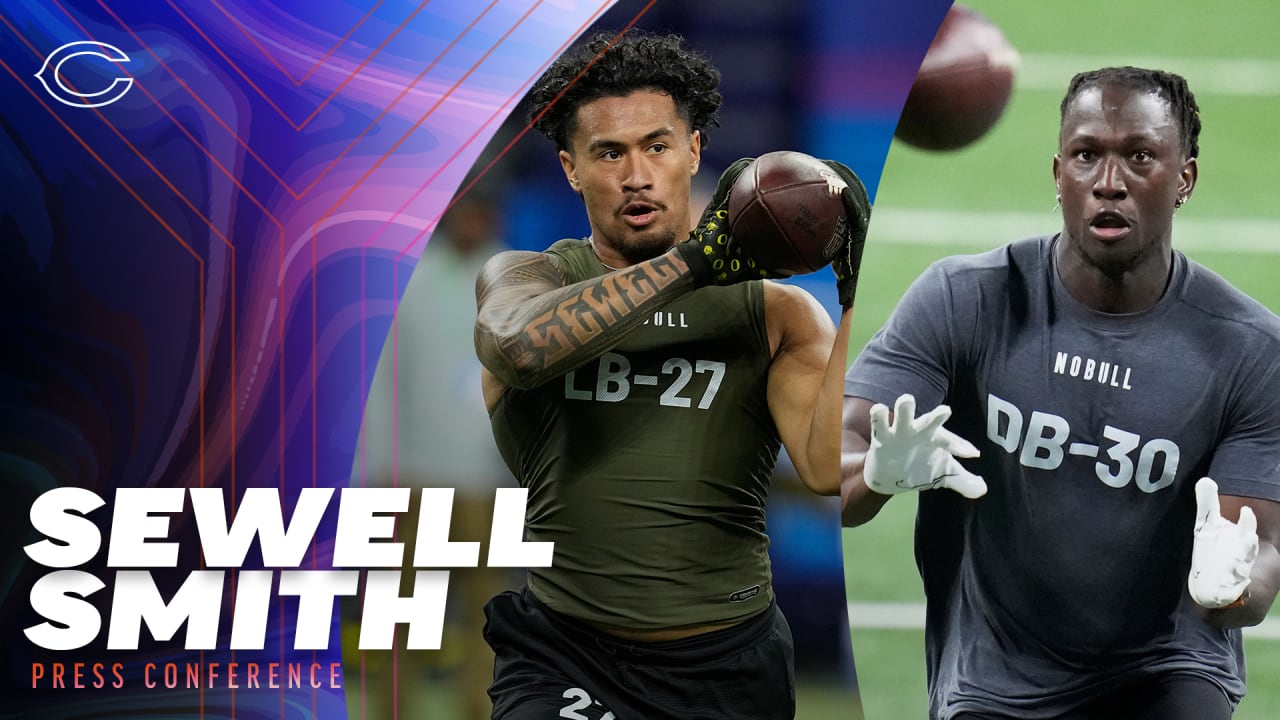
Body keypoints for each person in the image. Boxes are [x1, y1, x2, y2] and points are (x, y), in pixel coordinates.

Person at [841, 66, 1280, 720]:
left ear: (1183, 178)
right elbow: (839, 464)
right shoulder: (963, 299)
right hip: (993, 678)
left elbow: (1259, 552)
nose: (1109, 183)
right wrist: (875, 473)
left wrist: (1234, 585)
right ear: (1057, 174)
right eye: (1086, 155)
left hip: (1167, 665)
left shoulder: (1249, 349)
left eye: (1139, 157)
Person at [472, 30, 869, 719]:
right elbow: (518, 348)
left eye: (656, 146)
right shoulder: (527, 278)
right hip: (565, 655)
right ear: (570, 169)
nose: (636, 175)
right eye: (608, 153)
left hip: (728, 664)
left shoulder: (776, 312)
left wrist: (859, 293)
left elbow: (827, 468)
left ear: (692, 151)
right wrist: (698, 264)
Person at [352, 190, 518, 720]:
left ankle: (477, 706)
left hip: (487, 477)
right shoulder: (411, 285)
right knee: (402, 603)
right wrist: (377, 465)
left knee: (488, 607)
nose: (473, 222)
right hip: (413, 473)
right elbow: (379, 380)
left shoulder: (520, 284)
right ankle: (392, 706)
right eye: (464, 214)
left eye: (481, 213)